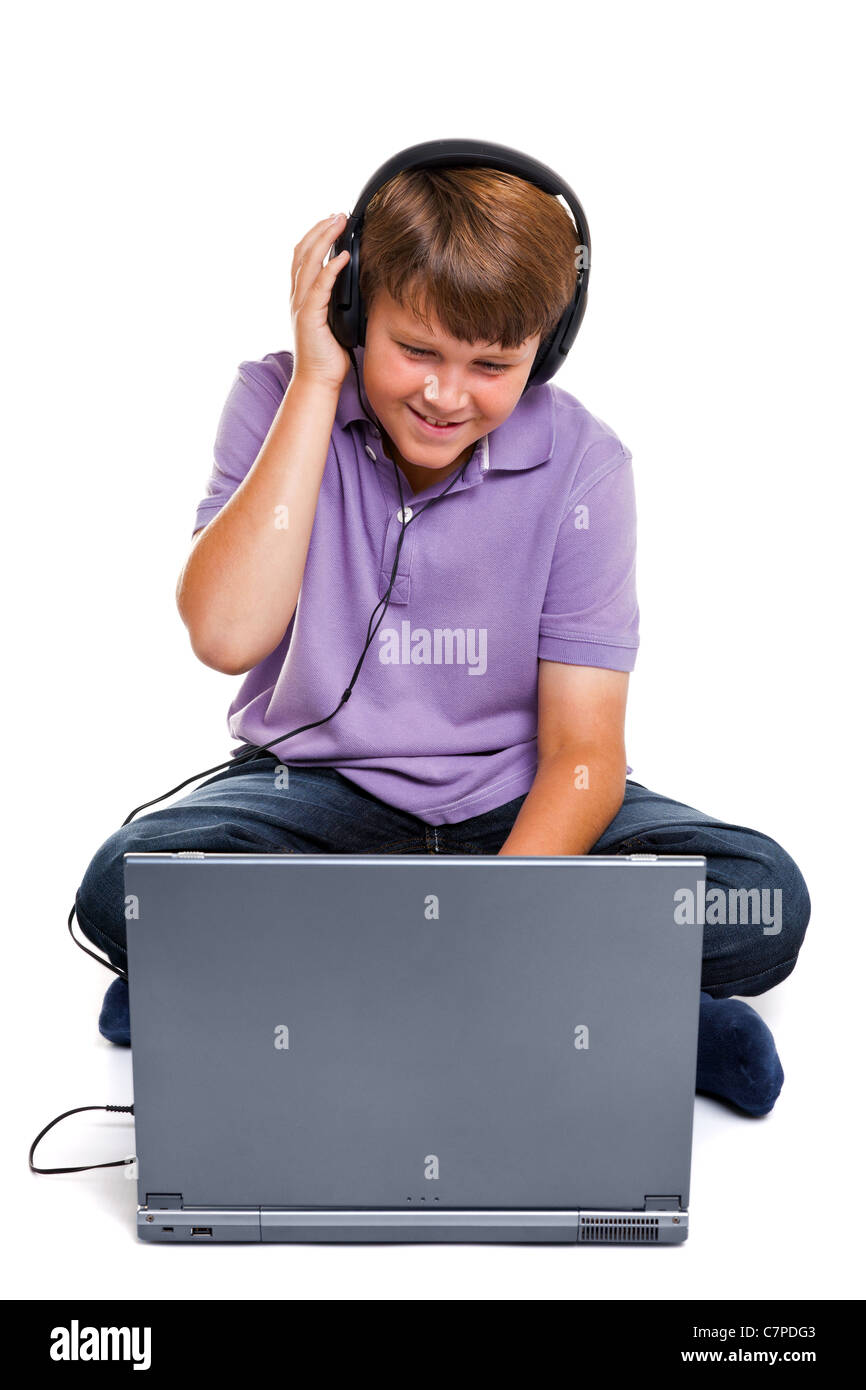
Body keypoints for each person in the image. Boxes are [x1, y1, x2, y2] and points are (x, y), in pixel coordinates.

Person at [76, 166, 810, 1116]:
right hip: (320, 799)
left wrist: (488, 913)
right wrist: (316, 384)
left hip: (522, 809)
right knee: (120, 889)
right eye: (414, 348)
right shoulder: (277, 399)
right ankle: (622, 1008)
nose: (446, 395)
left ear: (544, 354)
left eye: (492, 366)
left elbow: (585, 753)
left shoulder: (586, 464)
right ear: (351, 311)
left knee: (764, 898)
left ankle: (244, 987)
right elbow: (224, 634)